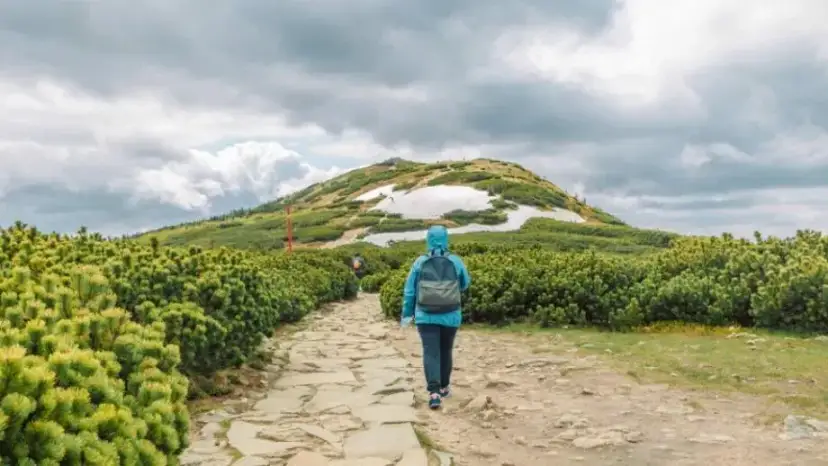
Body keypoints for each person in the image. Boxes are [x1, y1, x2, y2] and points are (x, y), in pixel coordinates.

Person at [400, 225, 471, 409]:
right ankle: (445, 387)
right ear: (446, 239)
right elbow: (464, 284)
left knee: (431, 351)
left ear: (428, 240)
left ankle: (433, 393)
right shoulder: (455, 261)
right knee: (446, 350)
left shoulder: (419, 262)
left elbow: (409, 291)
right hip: (451, 315)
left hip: (426, 315)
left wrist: (407, 314)